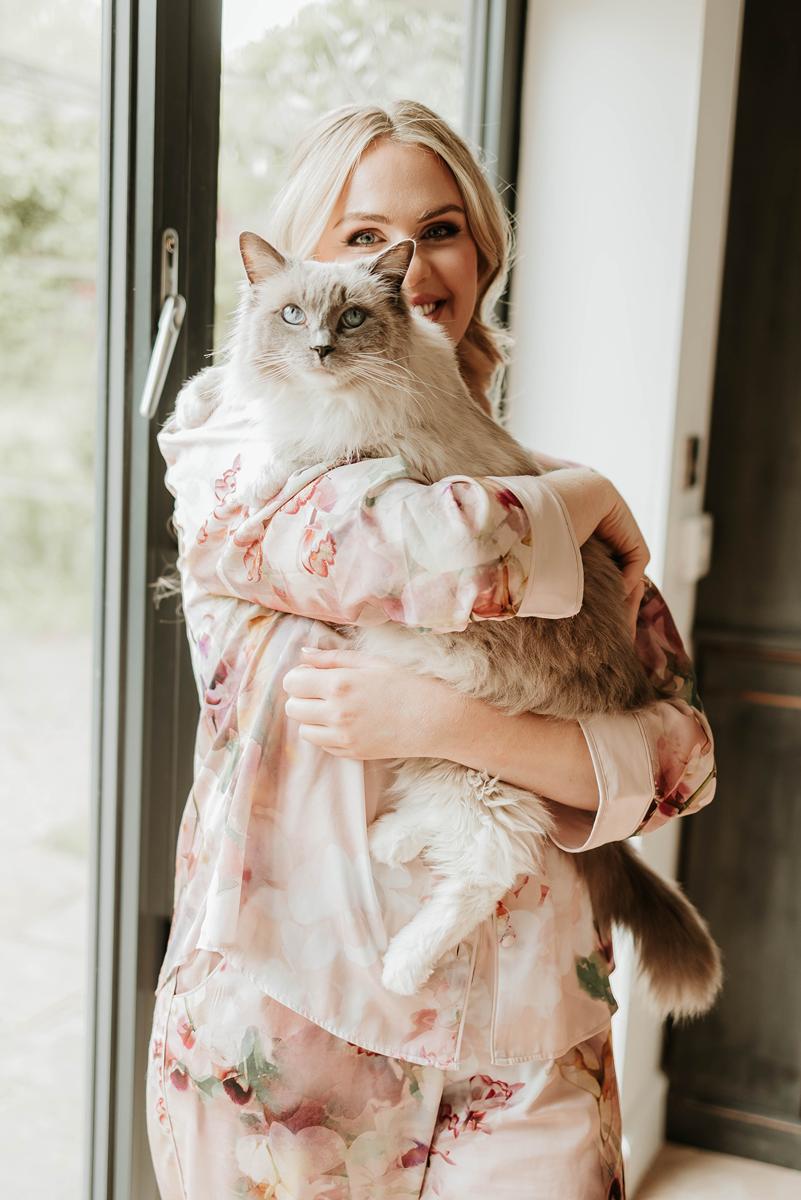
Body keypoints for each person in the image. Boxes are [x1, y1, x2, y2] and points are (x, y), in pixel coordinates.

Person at [147, 101, 716, 1200]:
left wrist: (457, 726)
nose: (405, 260)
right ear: (300, 259)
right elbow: (409, 553)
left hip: (528, 1023)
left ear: (480, 255)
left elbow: (683, 761)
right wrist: (581, 499)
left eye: (439, 230)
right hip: (290, 1016)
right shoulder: (227, 443)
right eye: (360, 233)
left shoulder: (533, 477)